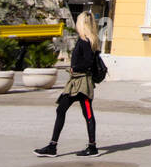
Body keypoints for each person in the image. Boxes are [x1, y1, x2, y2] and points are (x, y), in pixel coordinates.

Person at [35, 13, 102, 158]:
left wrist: (75, 68)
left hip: (82, 82)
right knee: (65, 110)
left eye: (78, 21)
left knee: (85, 113)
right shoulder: (90, 40)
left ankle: (91, 147)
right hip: (76, 82)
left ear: (82, 24)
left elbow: (89, 63)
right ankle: (54, 146)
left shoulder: (85, 41)